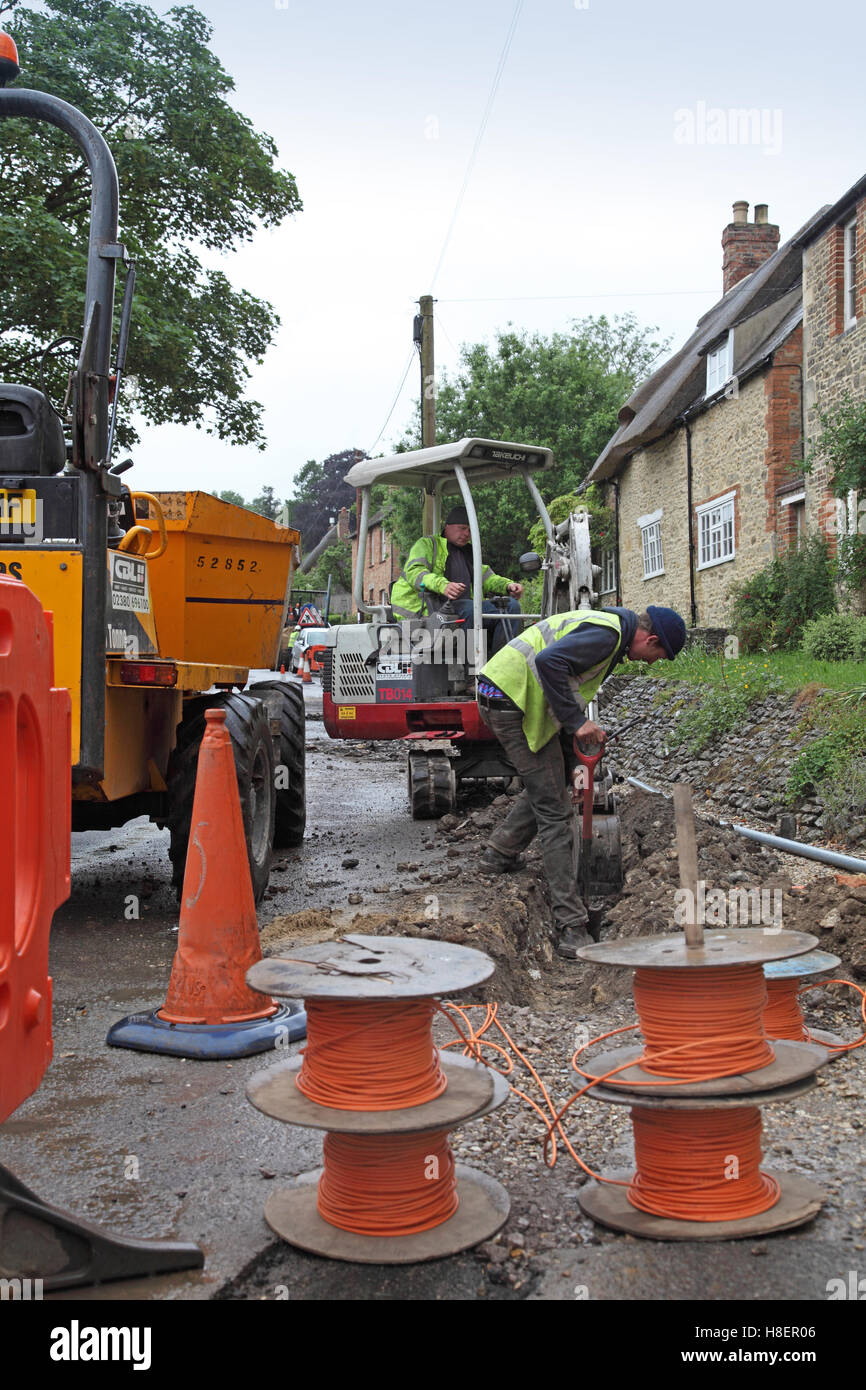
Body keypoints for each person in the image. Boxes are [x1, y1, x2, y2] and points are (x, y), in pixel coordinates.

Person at [475, 604, 686, 958]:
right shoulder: (608, 635)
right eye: (658, 655)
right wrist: (578, 723)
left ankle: (499, 853)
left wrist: (576, 763)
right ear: (650, 639)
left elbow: (565, 685)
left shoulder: (612, 636)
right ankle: (571, 927)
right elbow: (549, 662)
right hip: (510, 699)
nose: (652, 663)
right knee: (555, 813)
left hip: (513, 696)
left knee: (550, 784)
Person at [389, 506, 523, 656]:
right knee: (471, 609)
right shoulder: (427, 545)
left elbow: (486, 577)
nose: (467, 534)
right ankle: (469, 665)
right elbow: (415, 572)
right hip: (430, 610)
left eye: (470, 530)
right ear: (448, 527)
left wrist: (507, 585)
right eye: (463, 528)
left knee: (511, 606)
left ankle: (500, 663)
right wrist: (443, 586)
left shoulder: (469, 553)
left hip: (463, 608)